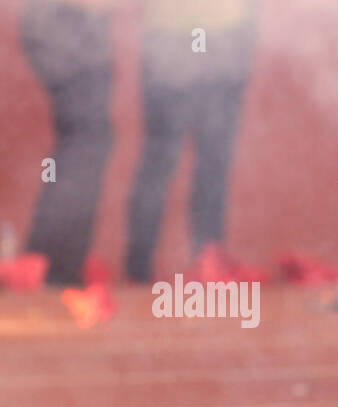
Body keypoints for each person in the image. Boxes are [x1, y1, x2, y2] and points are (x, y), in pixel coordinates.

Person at [125, 0, 257, 282]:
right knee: (203, 160)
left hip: (174, 34)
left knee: (166, 160)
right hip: (219, 32)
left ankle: (140, 268)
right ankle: (202, 265)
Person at [20, 0, 117, 287]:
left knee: (83, 141)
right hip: (69, 20)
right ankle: (53, 266)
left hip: (65, 22)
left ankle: (47, 263)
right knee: (86, 142)